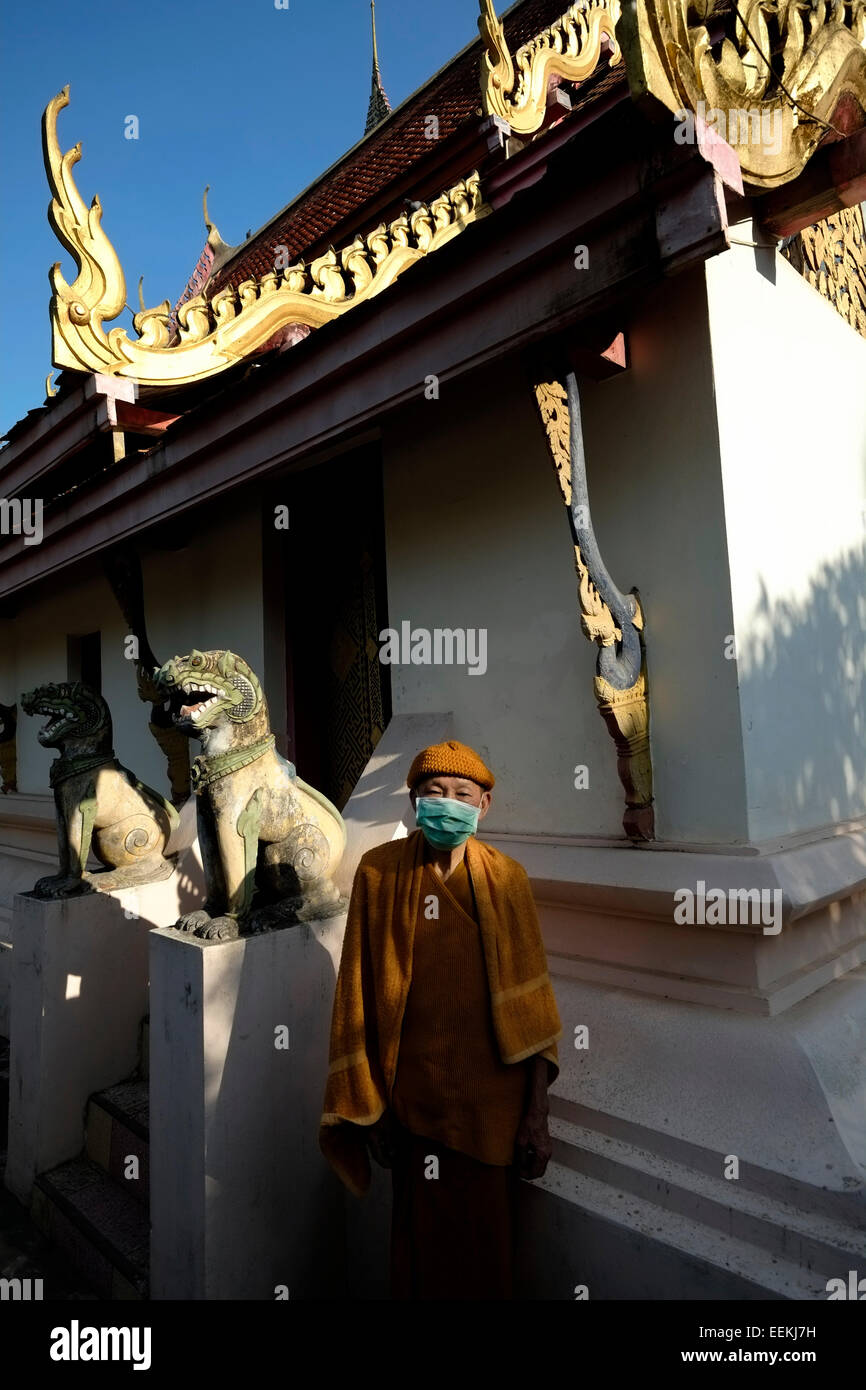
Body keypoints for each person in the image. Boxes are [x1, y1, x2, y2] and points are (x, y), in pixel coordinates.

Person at [319, 739, 562, 1300]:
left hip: (490, 1110)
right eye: (433, 793)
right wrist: (366, 1104)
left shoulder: (507, 880)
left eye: (461, 794)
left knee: (484, 1253)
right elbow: (355, 990)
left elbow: (534, 1006)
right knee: (418, 1250)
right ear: (413, 800)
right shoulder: (378, 874)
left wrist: (536, 1115)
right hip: (412, 1105)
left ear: (484, 805)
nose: (447, 804)